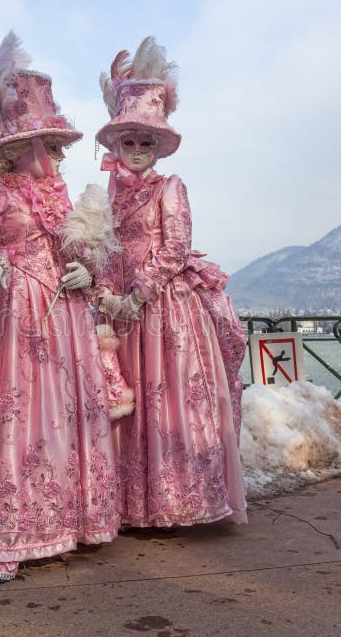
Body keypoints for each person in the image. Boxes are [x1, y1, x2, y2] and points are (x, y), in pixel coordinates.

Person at [0, 32, 119, 583]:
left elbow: (84, 251)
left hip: (68, 316)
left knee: (68, 418)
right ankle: (16, 533)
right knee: (23, 420)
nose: (57, 157)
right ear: (17, 148)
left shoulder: (63, 199)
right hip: (19, 318)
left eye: (58, 147)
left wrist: (88, 268)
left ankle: (73, 520)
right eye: (48, 146)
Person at [95, 37, 248, 528]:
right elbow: (104, 248)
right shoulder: (108, 194)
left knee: (169, 401)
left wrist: (138, 293)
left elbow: (176, 247)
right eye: (129, 141)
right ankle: (134, 505)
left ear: (158, 147)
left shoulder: (171, 187)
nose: (137, 150)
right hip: (122, 313)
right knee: (132, 403)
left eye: (146, 142)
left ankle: (179, 499)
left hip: (164, 309)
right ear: (117, 145)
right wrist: (109, 297)